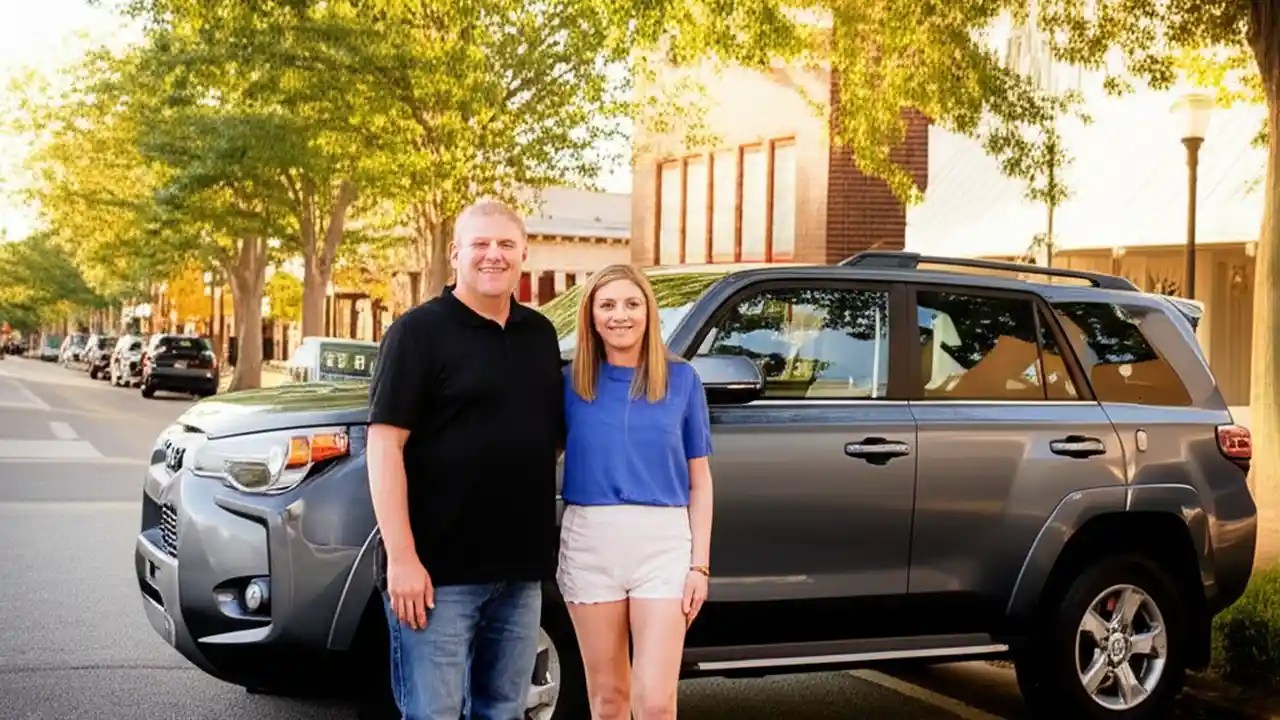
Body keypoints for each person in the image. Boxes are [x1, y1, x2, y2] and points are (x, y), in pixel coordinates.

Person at [366, 199, 564, 720]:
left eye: (505, 245)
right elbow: (384, 447)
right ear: (455, 254)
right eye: (480, 244)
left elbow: (551, 437)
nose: (493, 256)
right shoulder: (417, 334)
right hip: (436, 578)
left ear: (524, 253)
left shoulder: (540, 336)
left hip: (519, 575)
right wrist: (402, 558)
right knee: (434, 713)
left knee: (503, 710)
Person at [556, 263, 715, 720]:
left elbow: (700, 481)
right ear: (591, 316)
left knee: (655, 701)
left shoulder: (682, 381)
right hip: (590, 543)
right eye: (606, 305)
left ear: (649, 312)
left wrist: (699, 566)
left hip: (662, 546)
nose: (619, 315)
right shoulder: (570, 384)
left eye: (631, 303)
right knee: (608, 700)